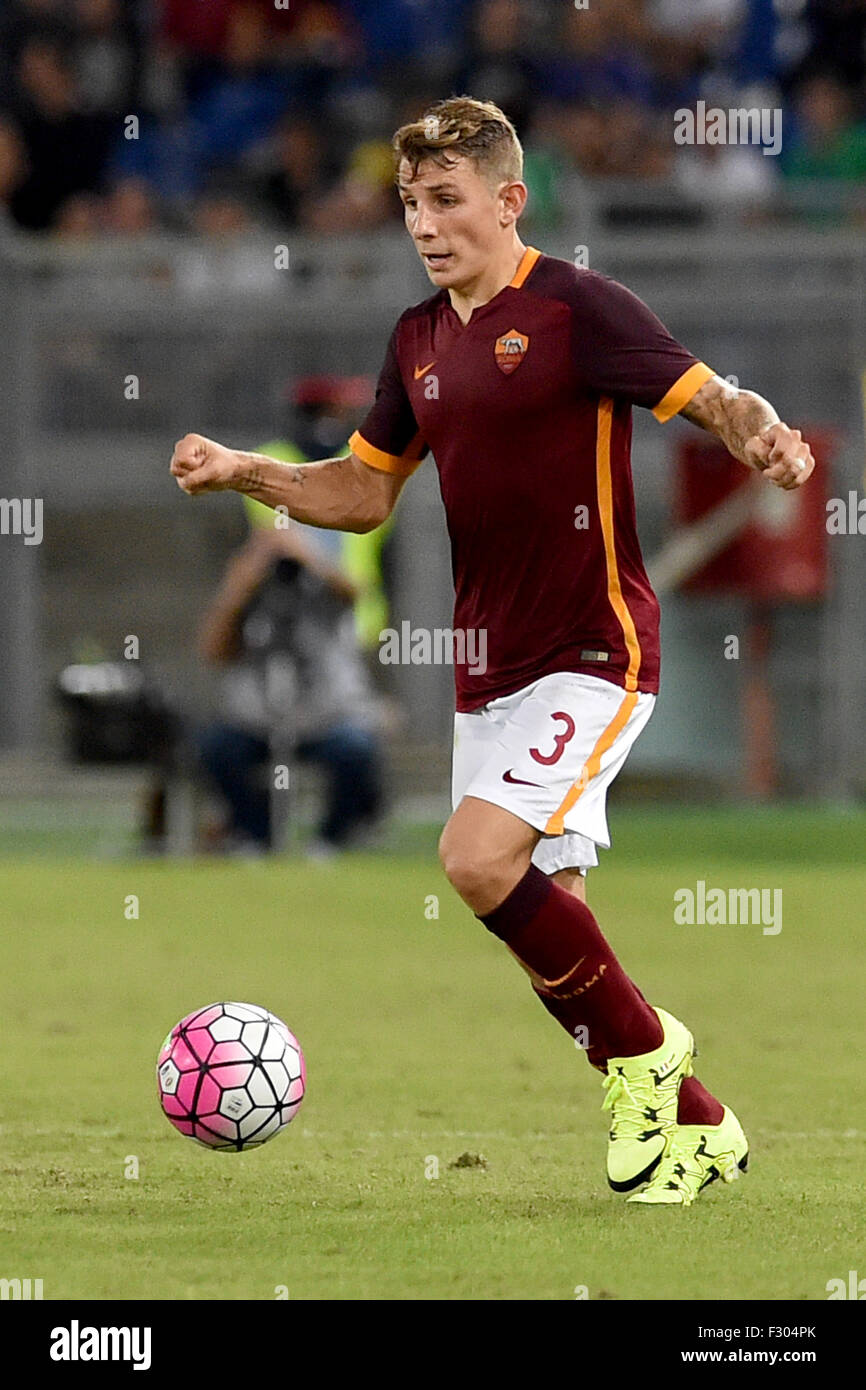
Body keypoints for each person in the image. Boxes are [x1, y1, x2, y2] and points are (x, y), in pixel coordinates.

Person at [170, 97, 815, 1205]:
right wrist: (247, 471)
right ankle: (698, 1127)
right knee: (542, 921)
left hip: (593, 648)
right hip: (491, 665)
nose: (424, 223)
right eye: (410, 202)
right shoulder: (416, 339)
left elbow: (712, 394)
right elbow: (365, 491)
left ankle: (650, 1058)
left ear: (509, 202)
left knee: (472, 860)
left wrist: (755, 432)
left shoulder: (576, 308)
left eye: (447, 200)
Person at [196, 522, 384, 856]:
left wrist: (309, 556)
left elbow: (354, 593)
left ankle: (330, 839)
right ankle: (255, 834)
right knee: (216, 748)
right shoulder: (249, 595)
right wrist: (243, 582)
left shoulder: (324, 587)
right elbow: (213, 651)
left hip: (323, 718)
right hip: (257, 720)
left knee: (357, 749)